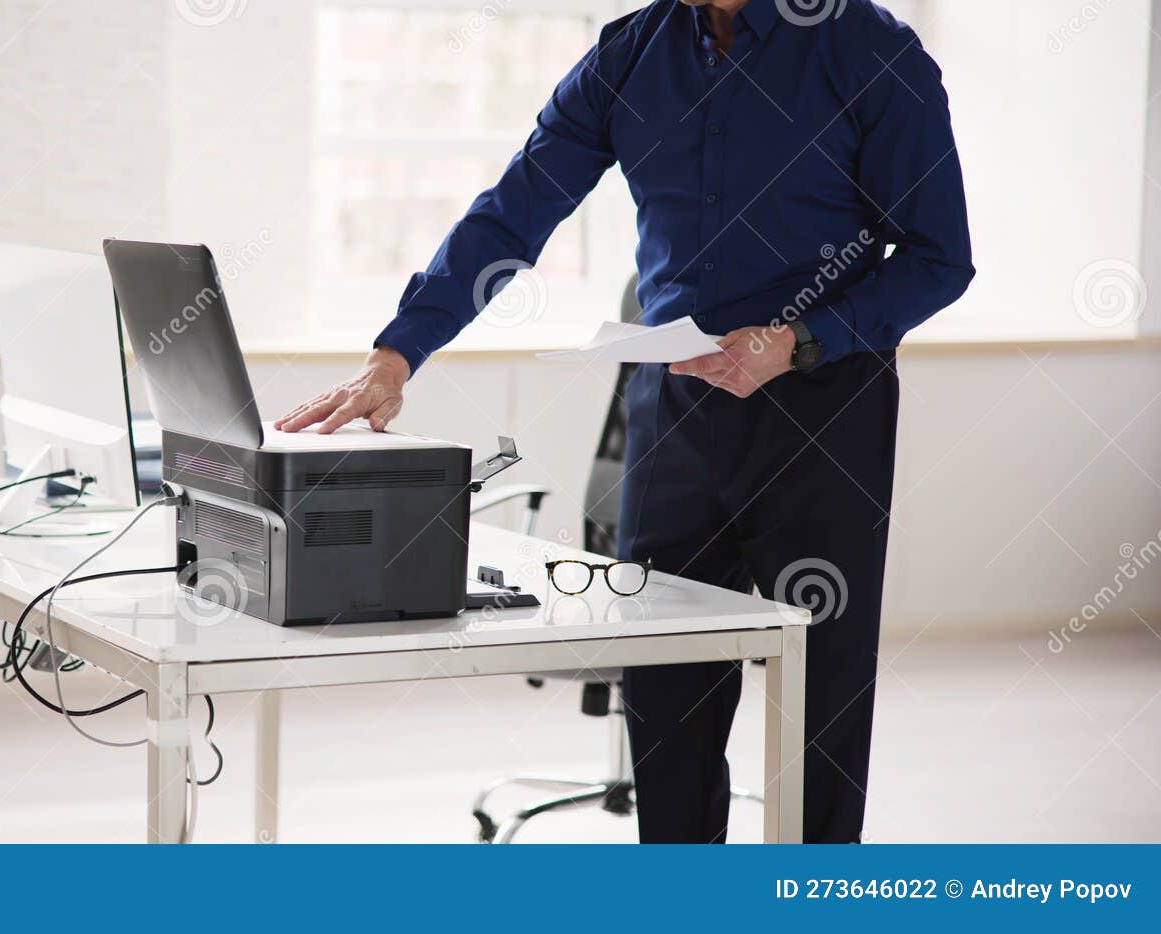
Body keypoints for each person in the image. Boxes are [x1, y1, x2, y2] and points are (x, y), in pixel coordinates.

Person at [275, 0, 972, 843]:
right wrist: (397, 354)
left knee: (822, 710)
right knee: (668, 706)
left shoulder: (869, 49)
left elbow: (939, 258)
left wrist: (798, 340)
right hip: (676, 419)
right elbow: (516, 207)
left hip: (825, 417)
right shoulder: (631, 55)